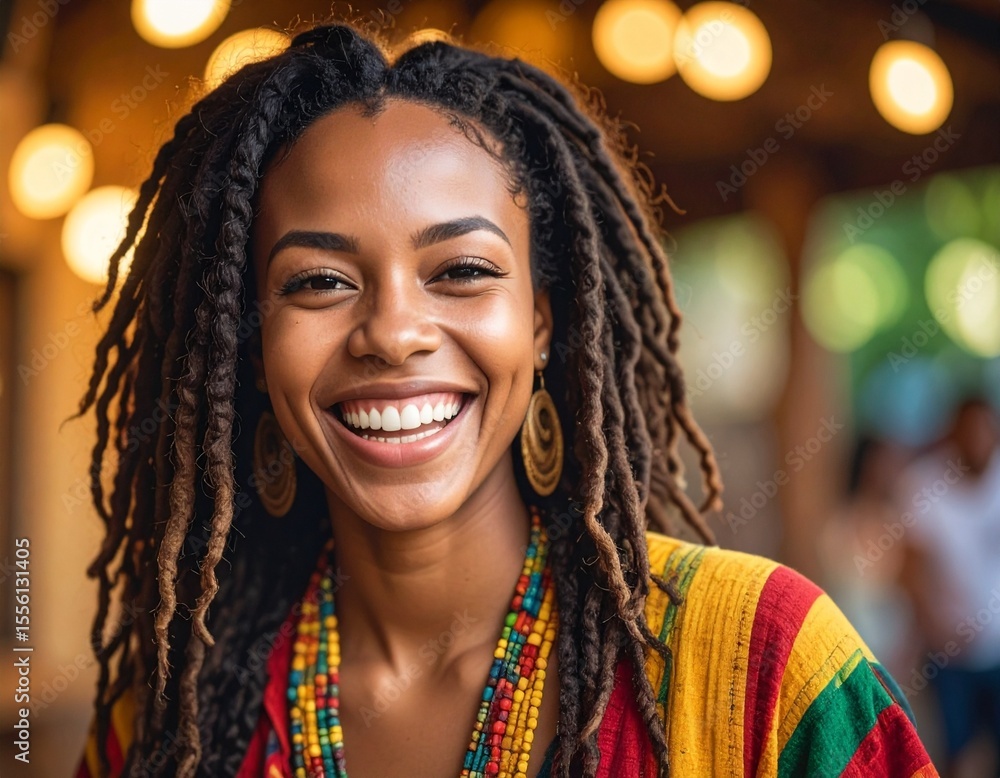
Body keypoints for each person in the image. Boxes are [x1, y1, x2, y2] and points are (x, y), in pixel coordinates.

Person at [70, 20, 937, 778]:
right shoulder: (167, 721)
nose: (393, 331)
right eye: (321, 281)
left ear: (543, 323)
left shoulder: (765, 666)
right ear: (254, 351)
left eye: (462, 271)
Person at [896, 397, 1000, 777]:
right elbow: (910, 570)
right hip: (948, 653)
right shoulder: (923, 486)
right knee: (954, 751)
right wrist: (937, 628)